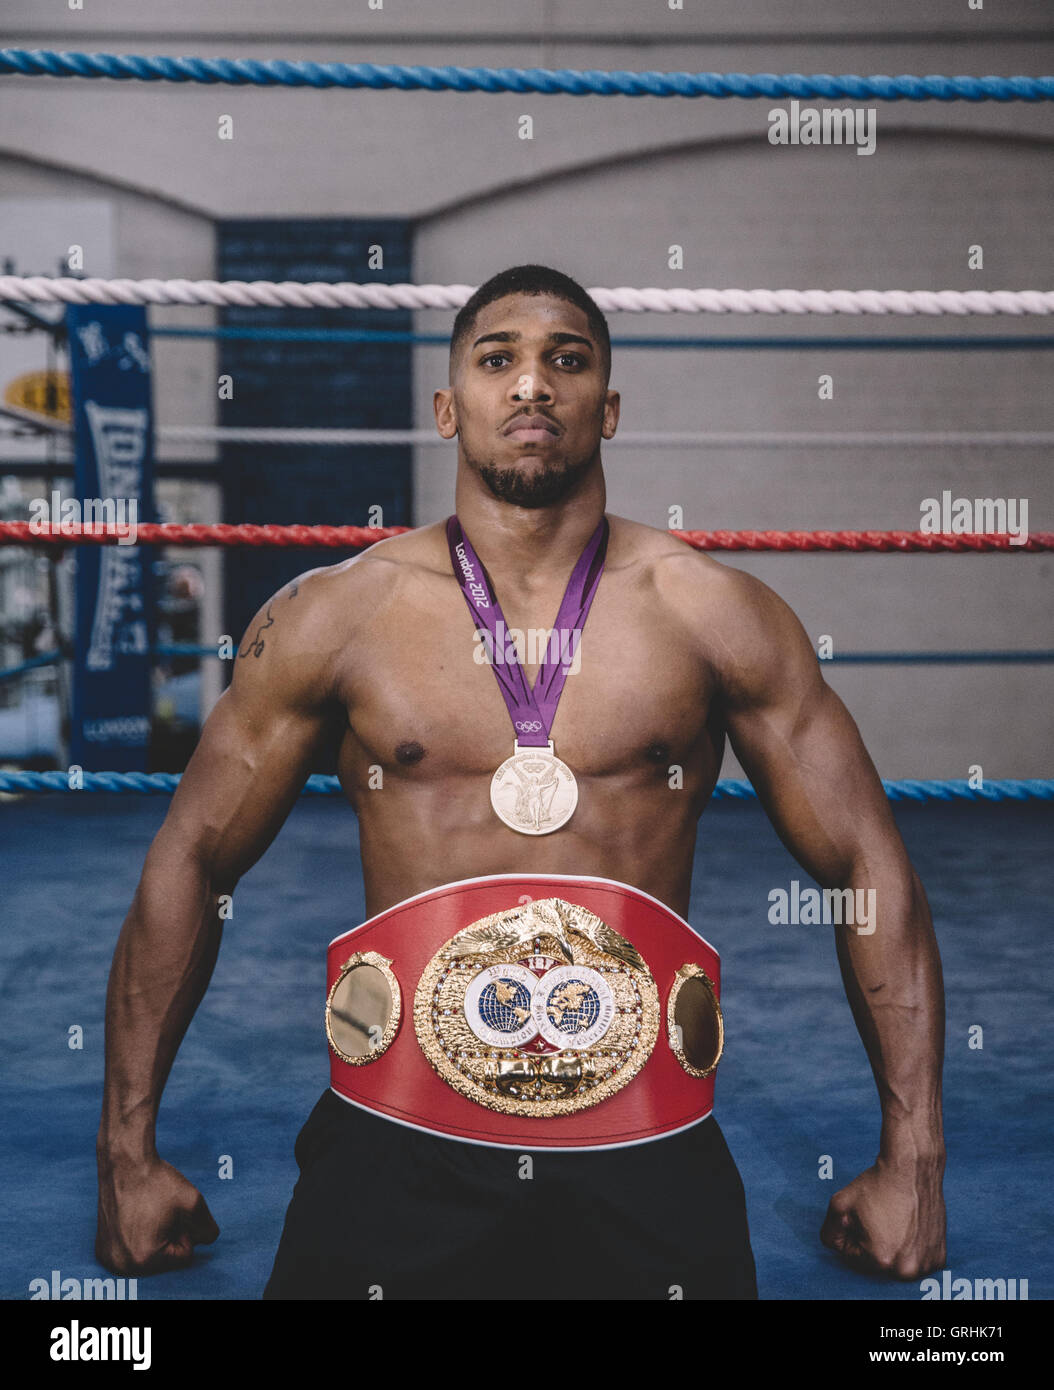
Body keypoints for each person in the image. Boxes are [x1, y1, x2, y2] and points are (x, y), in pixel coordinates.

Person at [95, 264, 946, 1300]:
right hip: (396, 1129)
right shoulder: (338, 615)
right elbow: (193, 852)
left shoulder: (714, 613)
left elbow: (864, 857)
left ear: (609, 407)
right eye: (498, 359)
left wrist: (913, 1160)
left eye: (567, 360)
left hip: (645, 1133)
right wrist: (126, 1156)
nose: (533, 384)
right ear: (448, 406)